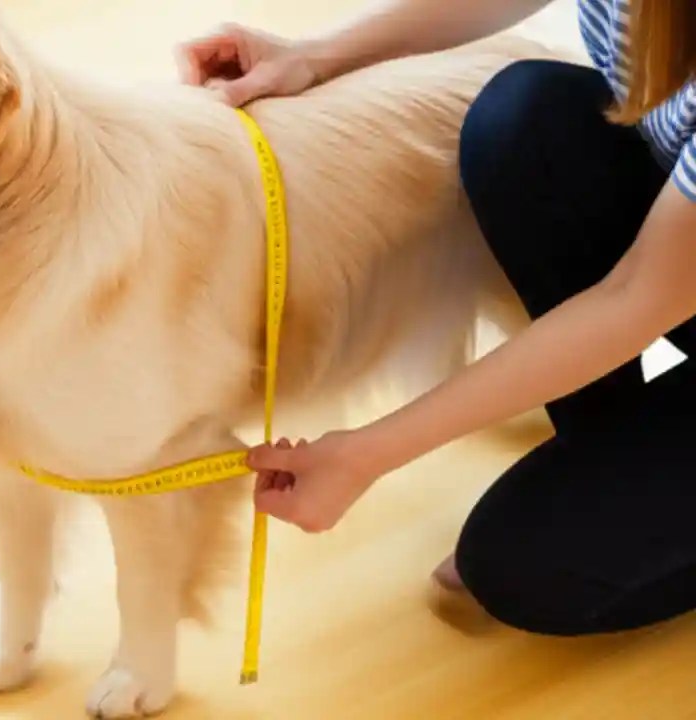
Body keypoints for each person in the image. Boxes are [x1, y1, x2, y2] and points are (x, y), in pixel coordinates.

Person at [177, 0, 696, 637]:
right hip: (680, 248)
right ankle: (612, 456)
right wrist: (311, 55)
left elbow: (633, 299)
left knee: (522, 568)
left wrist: (368, 453)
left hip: (665, 275)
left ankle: (631, 481)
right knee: (523, 119)